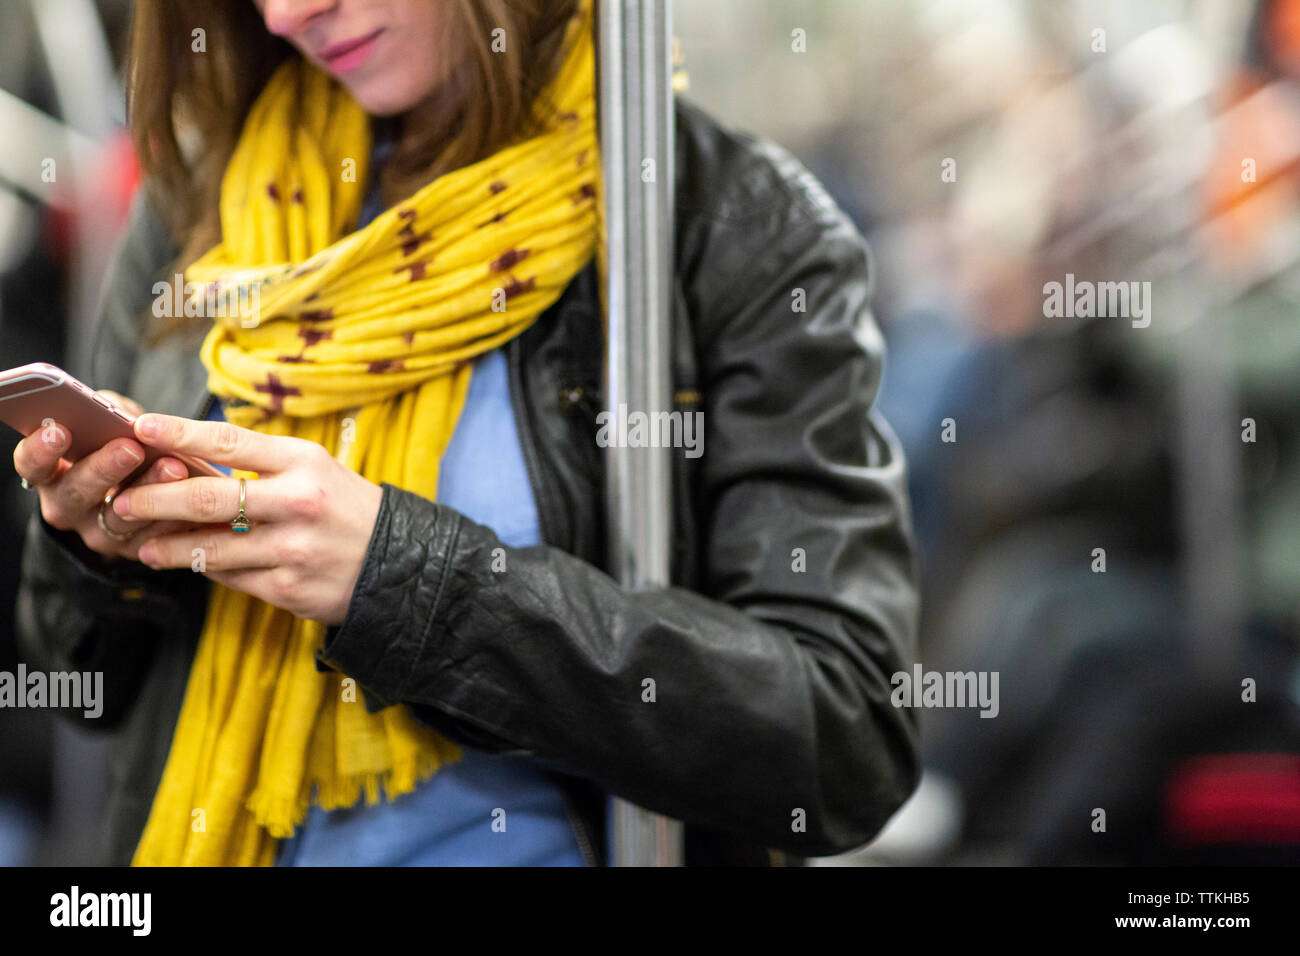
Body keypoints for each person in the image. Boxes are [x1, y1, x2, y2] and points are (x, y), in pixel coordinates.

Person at [13, 0, 920, 866]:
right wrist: (102, 548)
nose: (286, 15)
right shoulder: (205, 192)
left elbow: (843, 738)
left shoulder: (730, 227)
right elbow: (85, 682)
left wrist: (406, 584)